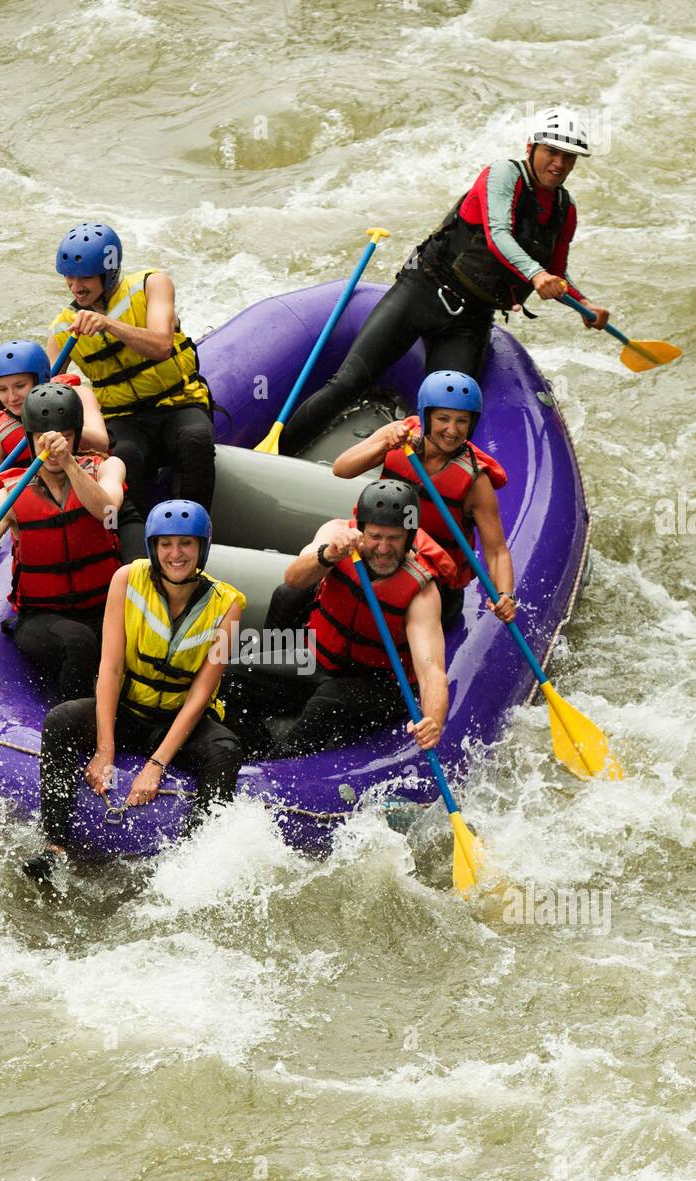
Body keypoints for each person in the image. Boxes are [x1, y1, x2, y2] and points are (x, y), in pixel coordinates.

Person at [280, 106, 611, 454]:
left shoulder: (564, 208)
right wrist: (536, 274)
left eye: (569, 157)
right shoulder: (502, 175)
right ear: (531, 147)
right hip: (422, 290)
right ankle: (278, 453)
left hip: (469, 322)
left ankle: (410, 500)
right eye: (552, 152)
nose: (559, 164)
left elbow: (556, 272)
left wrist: (583, 303)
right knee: (347, 383)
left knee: (449, 419)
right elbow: (499, 234)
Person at [23, 500, 245, 883]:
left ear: (202, 548)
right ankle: (54, 846)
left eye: (186, 544)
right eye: (166, 544)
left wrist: (156, 765)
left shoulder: (230, 605)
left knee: (226, 751)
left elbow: (201, 694)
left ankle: (193, 868)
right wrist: (104, 749)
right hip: (127, 710)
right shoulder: (126, 579)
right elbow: (110, 668)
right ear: (153, 548)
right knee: (60, 720)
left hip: (178, 719)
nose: (176, 554)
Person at [0, 383, 127, 703]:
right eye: (42, 440)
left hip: (104, 607)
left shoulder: (107, 468)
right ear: (31, 441)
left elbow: (106, 512)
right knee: (79, 641)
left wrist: (70, 464)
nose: (52, 449)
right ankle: (74, 718)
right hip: (41, 618)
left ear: (75, 436)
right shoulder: (10, 494)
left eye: (63, 438)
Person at [262, 479, 450, 759]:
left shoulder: (421, 592)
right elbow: (293, 579)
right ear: (361, 529)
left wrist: (433, 720)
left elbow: (432, 670)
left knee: (326, 702)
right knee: (235, 676)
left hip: (378, 683)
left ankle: (272, 771)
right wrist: (327, 555)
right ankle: (253, 745)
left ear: (410, 537)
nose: (383, 549)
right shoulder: (335, 534)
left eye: (394, 538)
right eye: (375, 536)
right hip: (321, 659)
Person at [46, 222, 216, 519]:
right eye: (68, 278)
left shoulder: (153, 284)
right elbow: (48, 392)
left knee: (195, 440)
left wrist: (109, 324)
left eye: (83, 277)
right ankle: (140, 538)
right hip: (123, 418)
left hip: (178, 402)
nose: (75, 287)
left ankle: (193, 528)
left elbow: (162, 345)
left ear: (108, 272)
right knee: (125, 458)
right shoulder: (63, 328)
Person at [333, 370, 516, 628]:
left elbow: (497, 551)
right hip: (382, 554)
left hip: (435, 584)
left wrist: (505, 595)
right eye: (443, 418)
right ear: (426, 416)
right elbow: (342, 469)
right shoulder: (400, 436)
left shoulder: (476, 481)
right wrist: (385, 445)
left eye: (461, 421)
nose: (452, 430)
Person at [0, 339, 109, 546]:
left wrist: (61, 425)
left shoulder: (77, 396)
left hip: (90, 491)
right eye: (2, 389)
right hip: (41, 508)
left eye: (20, 386)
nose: (12, 397)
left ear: (41, 379)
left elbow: (102, 443)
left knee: (130, 453)